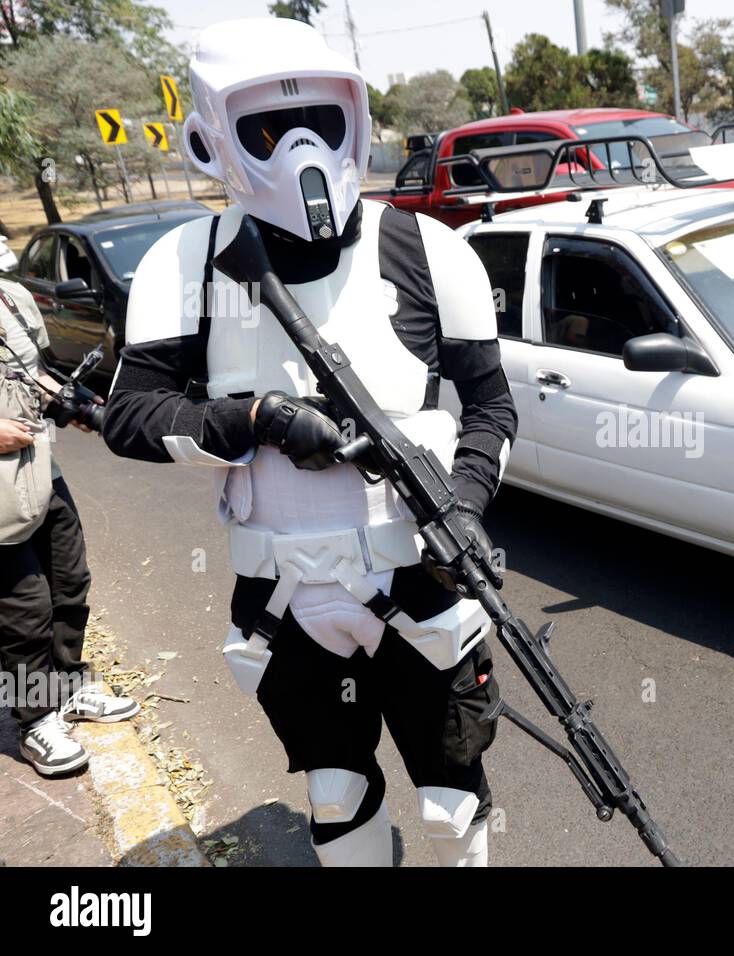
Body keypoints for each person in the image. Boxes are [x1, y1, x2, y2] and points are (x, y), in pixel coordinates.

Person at [103, 17, 517, 867]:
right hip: (284, 598)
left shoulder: (431, 252)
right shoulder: (185, 264)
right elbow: (131, 416)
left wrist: (467, 503)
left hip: (421, 584)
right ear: (212, 138)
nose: (296, 146)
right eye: (264, 126)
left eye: (318, 121)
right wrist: (253, 422)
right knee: (334, 790)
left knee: (449, 800)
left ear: (355, 120)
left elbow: (492, 409)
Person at [0, 278, 138, 777]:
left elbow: (31, 372)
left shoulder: (11, 297)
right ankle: (35, 719)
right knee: (22, 612)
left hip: (41, 470)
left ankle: (71, 688)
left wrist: (76, 405)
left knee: (69, 583)